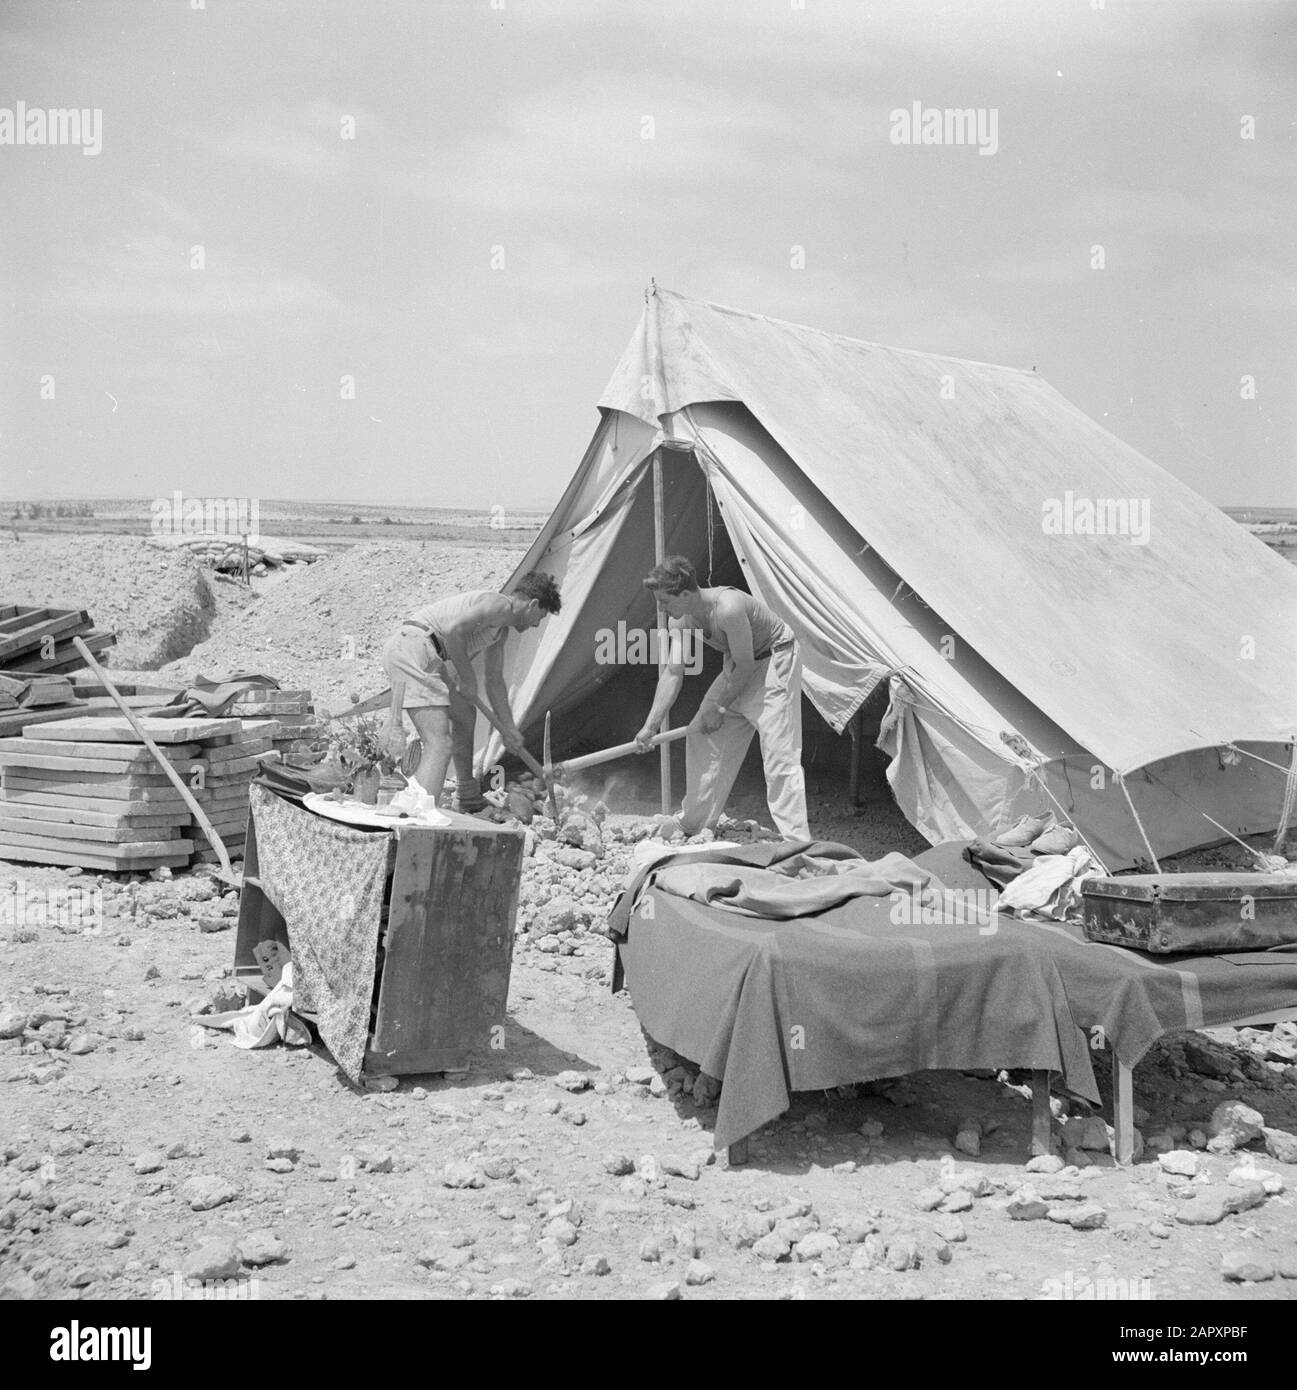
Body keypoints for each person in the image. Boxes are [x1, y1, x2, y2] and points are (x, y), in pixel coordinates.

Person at [633, 556, 810, 841]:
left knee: (780, 754)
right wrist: (649, 727)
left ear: (687, 594)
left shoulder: (728, 607)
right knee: (700, 733)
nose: (660, 609)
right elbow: (673, 672)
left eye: (665, 601)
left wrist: (720, 706)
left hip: (775, 661)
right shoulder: (681, 620)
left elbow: (748, 665)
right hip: (739, 666)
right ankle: (695, 823)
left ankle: (797, 843)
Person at [381, 572, 561, 810]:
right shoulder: (498, 605)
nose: (536, 624)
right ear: (533, 604)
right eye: (540, 616)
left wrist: (509, 729)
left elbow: (494, 681)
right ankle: (416, 814)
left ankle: (466, 794)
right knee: (439, 743)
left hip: (431, 657)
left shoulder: (501, 630)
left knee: (465, 715)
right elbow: (454, 631)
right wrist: (467, 678)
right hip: (415, 648)